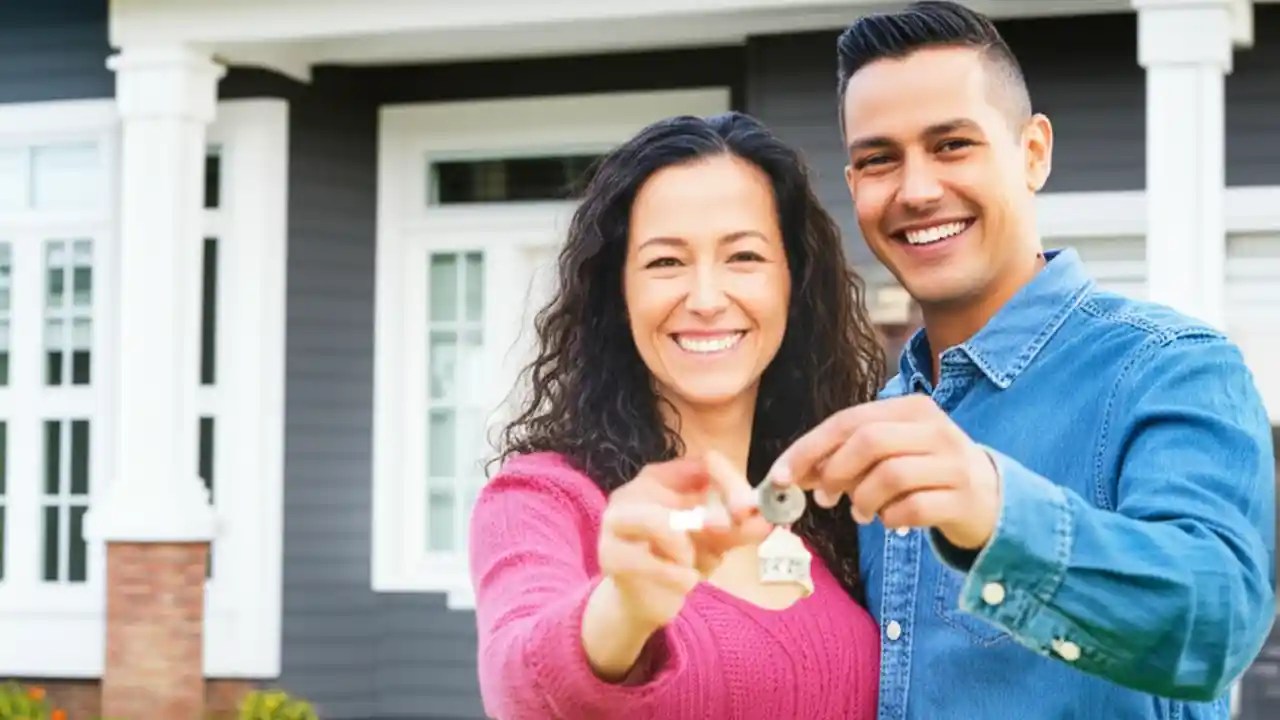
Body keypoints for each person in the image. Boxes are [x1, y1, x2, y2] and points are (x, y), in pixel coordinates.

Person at [765, 2, 1277, 718]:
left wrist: (997, 512)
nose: (915, 190)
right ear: (854, 186)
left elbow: (1215, 625)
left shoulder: (1169, 368)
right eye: (880, 158)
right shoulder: (873, 424)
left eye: (951, 145)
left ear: (1033, 152)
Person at [468, 111, 886, 719]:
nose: (707, 299)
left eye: (743, 256)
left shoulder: (832, 512)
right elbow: (520, 679)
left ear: (793, 284)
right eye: (666, 263)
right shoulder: (543, 500)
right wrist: (627, 605)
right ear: (620, 293)